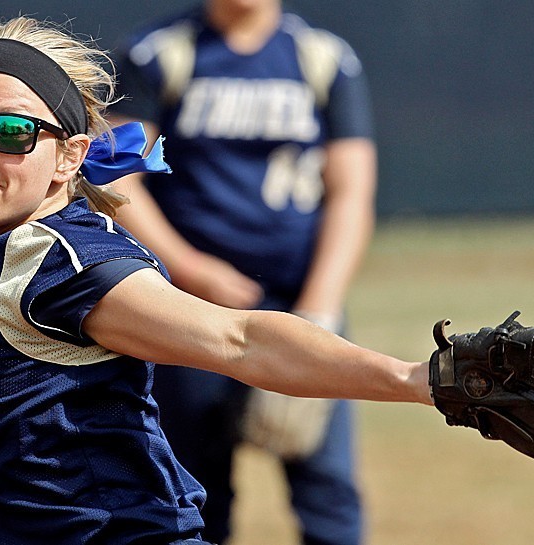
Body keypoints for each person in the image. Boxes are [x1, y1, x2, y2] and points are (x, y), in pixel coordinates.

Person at [0, 16, 422, 545]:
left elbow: (238, 340)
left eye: (12, 133)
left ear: (68, 158)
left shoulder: (65, 267)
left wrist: (419, 382)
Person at [107, 1, 377, 543]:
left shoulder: (322, 59)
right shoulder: (160, 54)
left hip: (298, 301)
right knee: (193, 495)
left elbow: (351, 191)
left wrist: (320, 308)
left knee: (328, 492)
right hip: (189, 310)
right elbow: (115, 173)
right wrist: (186, 267)